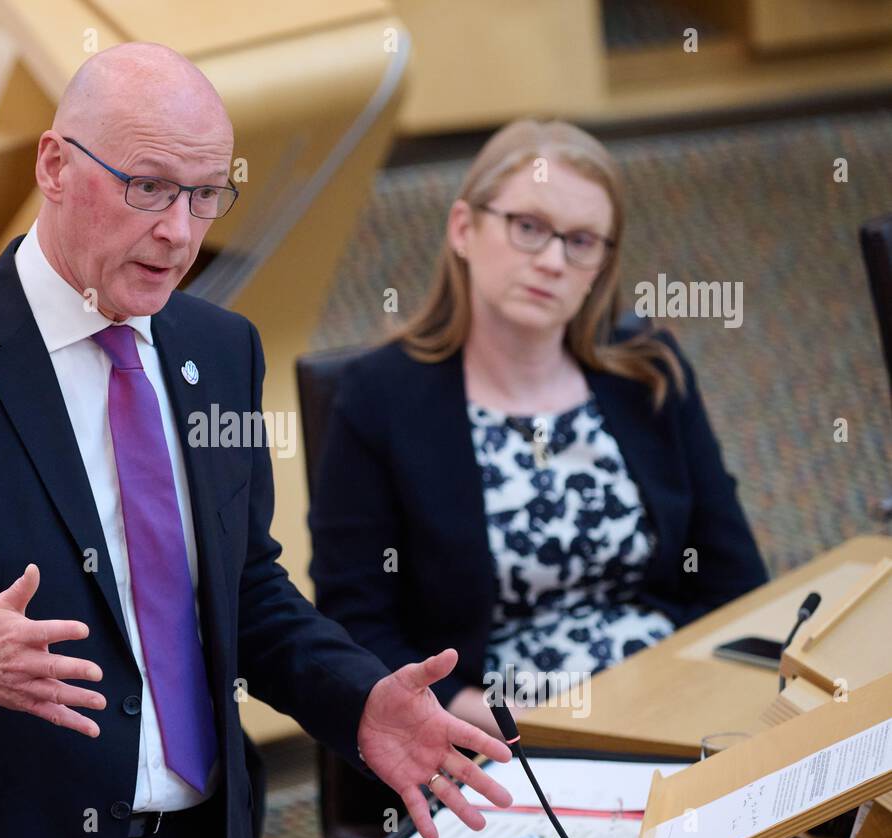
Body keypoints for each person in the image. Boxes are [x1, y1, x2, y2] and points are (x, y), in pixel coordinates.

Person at [0, 42, 513, 838]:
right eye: (148, 187)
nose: (178, 231)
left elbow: (242, 591)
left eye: (205, 195)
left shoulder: (221, 349)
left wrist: (358, 698)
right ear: (54, 164)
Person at [309, 119, 769, 741]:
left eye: (581, 241)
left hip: (676, 702)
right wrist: (505, 724)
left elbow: (734, 580)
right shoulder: (381, 398)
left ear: (600, 266)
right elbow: (357, 627)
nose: (553, 261)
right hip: (501, 736)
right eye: (528, 228)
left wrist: (692, 701)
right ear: (464, 229)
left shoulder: (646, 370)